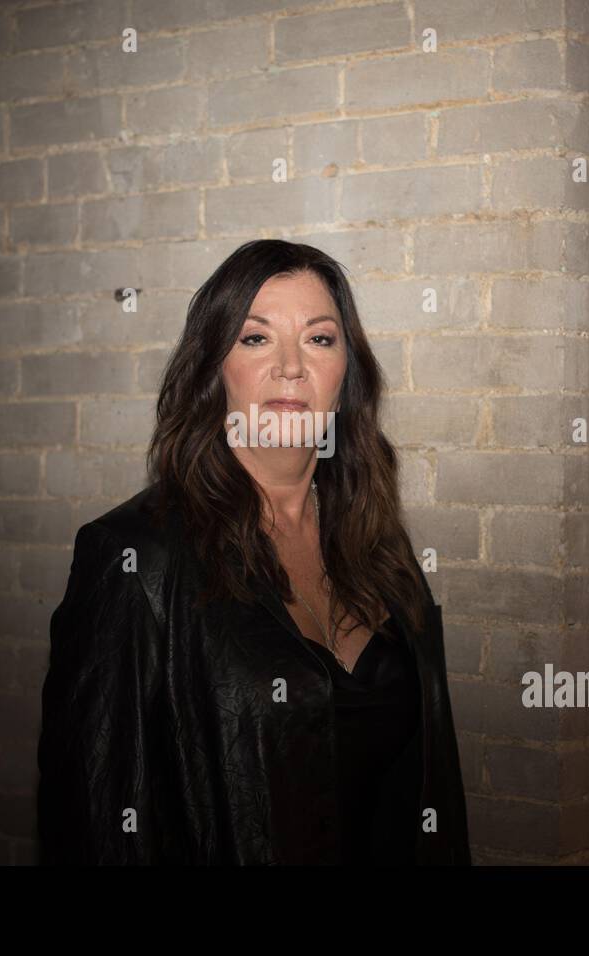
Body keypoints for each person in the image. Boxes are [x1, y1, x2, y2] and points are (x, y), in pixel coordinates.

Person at [37, 238, 470, 865]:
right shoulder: (135, 560)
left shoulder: (382, 546)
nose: (291, 367)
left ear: (347, 377)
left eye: (320, 339)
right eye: (255, 338)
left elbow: (436, 790)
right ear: (214, 368)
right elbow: (98, 826)